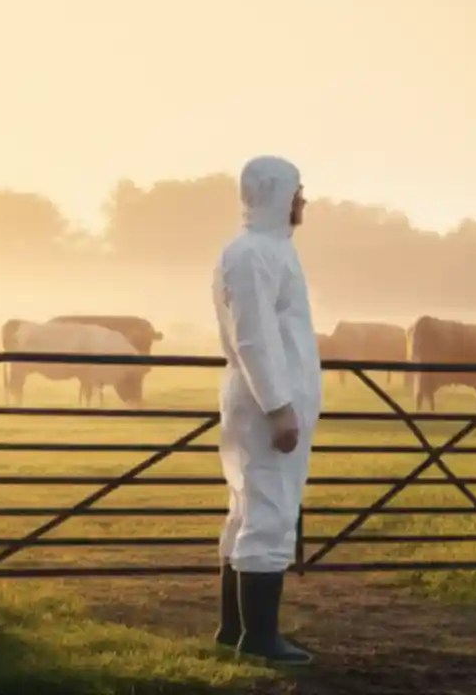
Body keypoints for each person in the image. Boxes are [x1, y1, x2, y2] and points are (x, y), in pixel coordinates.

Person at [211, 155, 322, 665]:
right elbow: (253, 335)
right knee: (270, 512)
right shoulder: (254, 254)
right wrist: (278, 407)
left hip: (262, 399)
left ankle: (236, 630)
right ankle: (259, 638)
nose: (303, 200)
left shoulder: (264, 250)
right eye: (297, 191)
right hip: (266, 404)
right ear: (277, 193)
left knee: (248, 509)